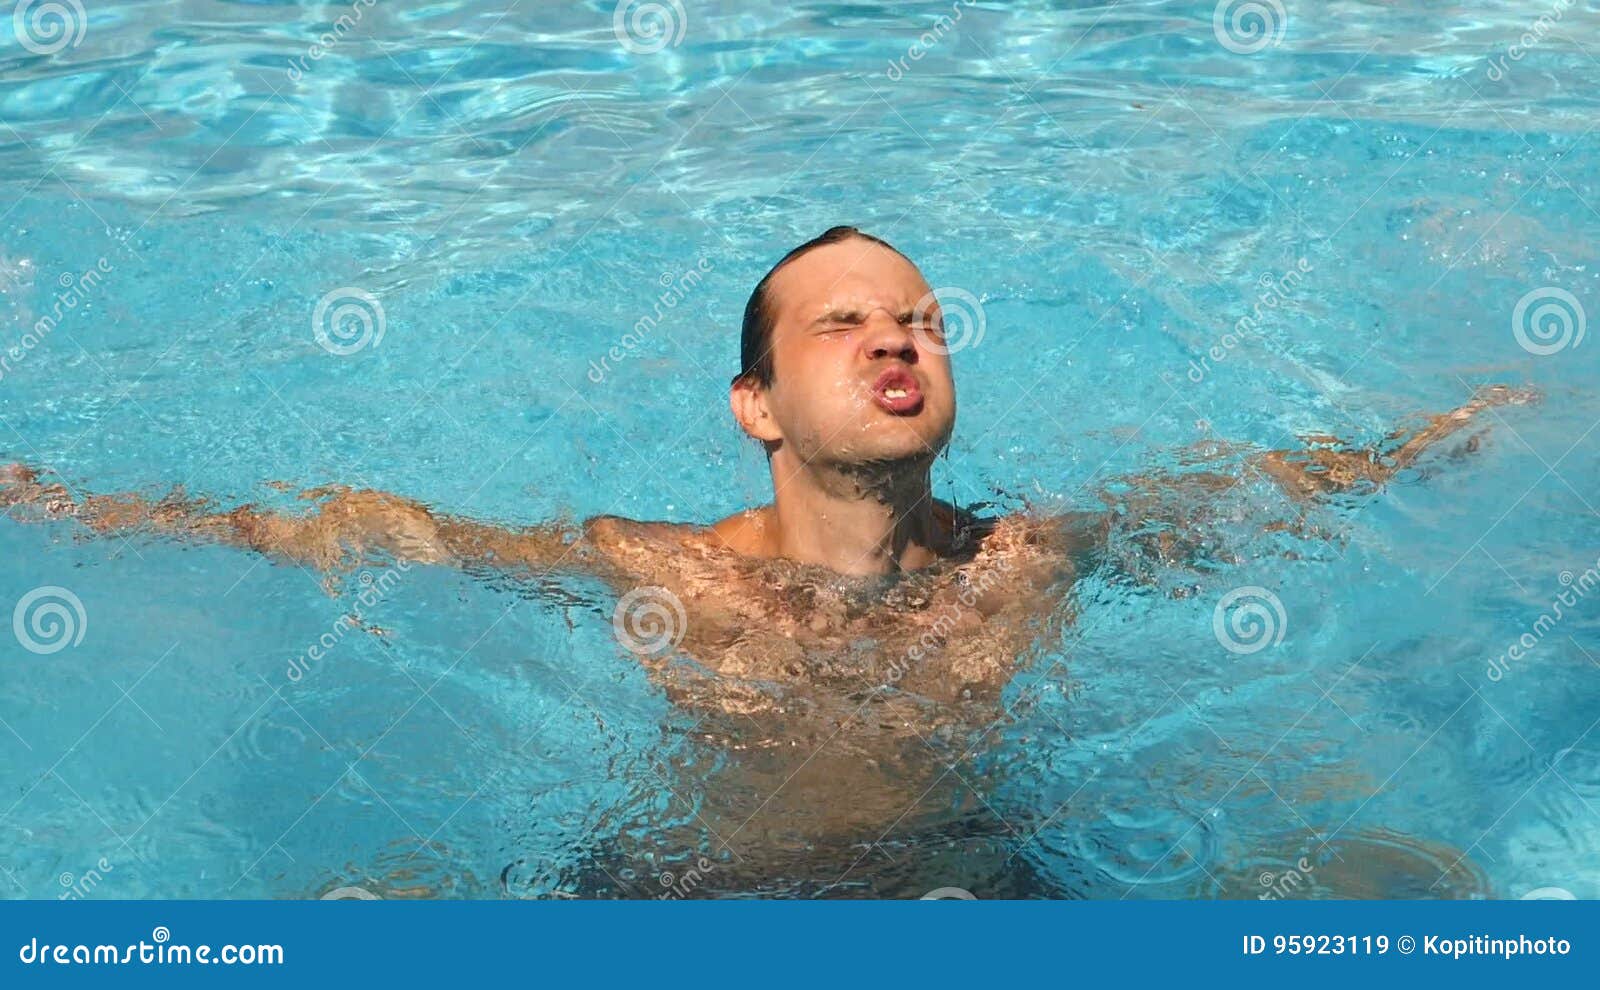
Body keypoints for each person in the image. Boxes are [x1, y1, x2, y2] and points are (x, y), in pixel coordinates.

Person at [0, 226, 1535, 895]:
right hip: (674, 899)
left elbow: (1264, 495)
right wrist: (71, 514)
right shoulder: (656, 567)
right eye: (847, 322)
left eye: (924, 320)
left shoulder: (1030, 560)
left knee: (1391, 887)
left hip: (977, 890)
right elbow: (356, 532)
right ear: (755, 405)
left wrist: (1460, 433)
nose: (898, 339)